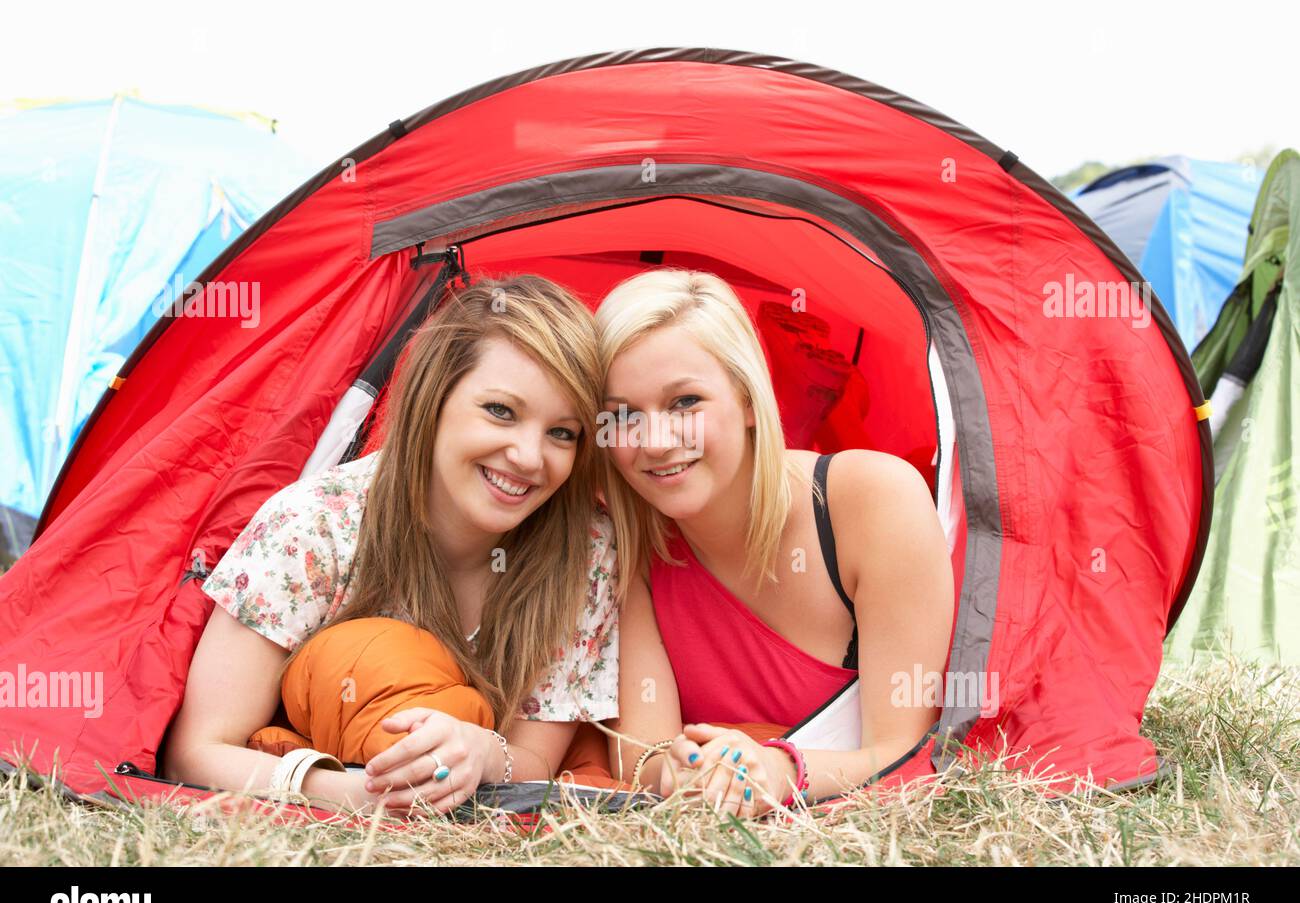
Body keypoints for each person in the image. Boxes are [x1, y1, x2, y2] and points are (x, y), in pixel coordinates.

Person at [165, 275, 619, 816]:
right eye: (501, 411)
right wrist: (360, 793)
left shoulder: (586, 552)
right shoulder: (316, 526)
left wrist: (485, 753)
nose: (527, 456)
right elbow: (195, 753)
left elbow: (536, 758)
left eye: (562, 432)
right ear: (434, 398)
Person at [597, 269, 953, 817]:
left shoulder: (872, 500)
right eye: (623, 415)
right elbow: (640, 755)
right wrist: (684, 770)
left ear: (747, 400)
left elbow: (906, 751)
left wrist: (779, 770)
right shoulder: (629, 544)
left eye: (685, 402)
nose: (657, 442)